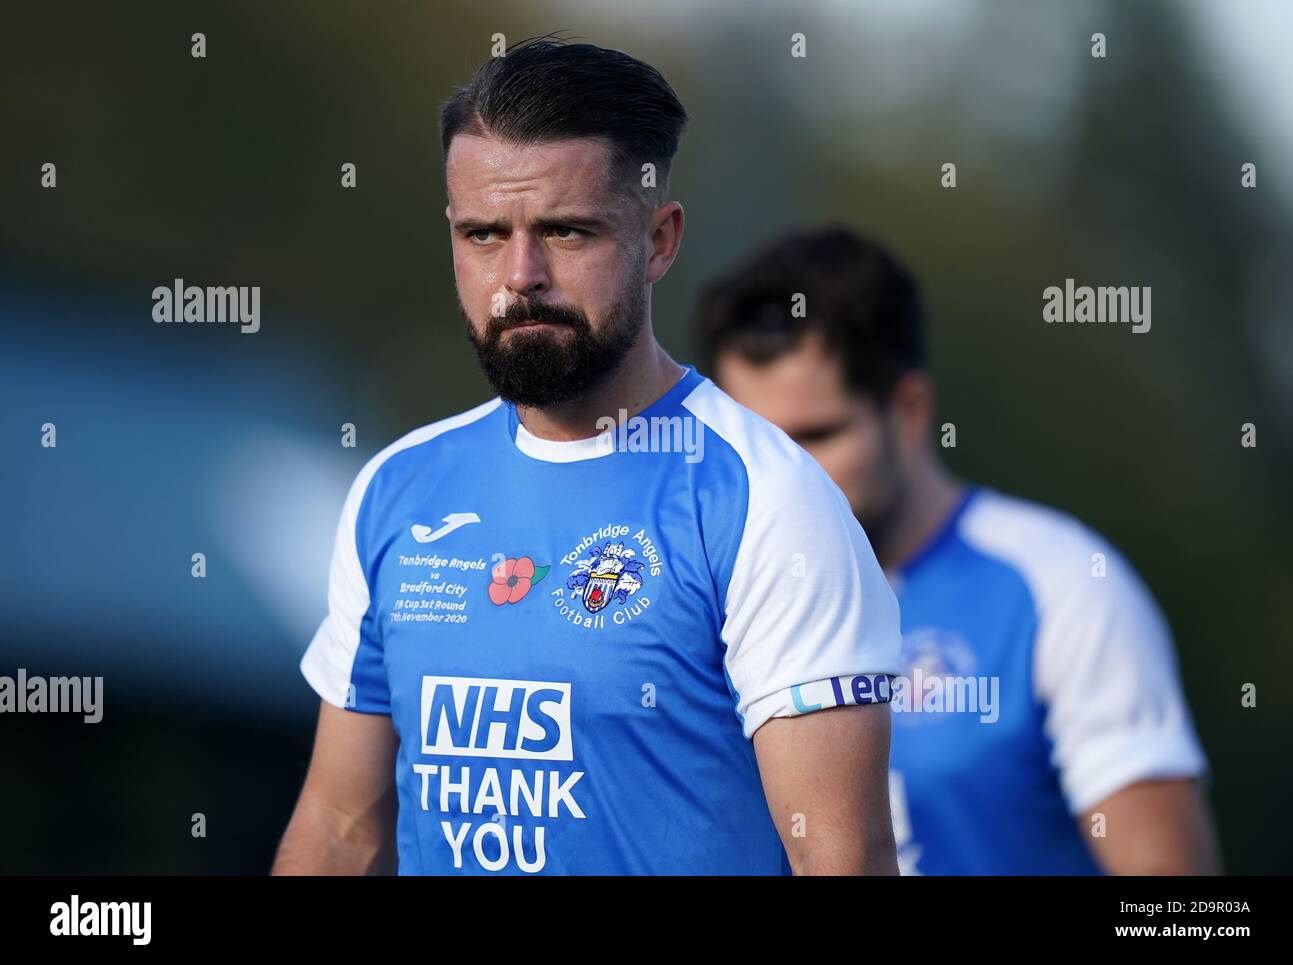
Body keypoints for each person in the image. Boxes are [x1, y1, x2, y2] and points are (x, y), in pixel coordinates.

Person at [273, 41, 902, 876]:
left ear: (660, 238)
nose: (520, 276)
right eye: (484, 234)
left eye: (566, 231)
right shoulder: (399, 489)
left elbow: (842, 859)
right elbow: (340, 830)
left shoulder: (765, 501)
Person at [697, 225, 1221, 874]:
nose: (789, 478)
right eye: (763, 446)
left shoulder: (1063, 586)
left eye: (817, 436)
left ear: (910, 410)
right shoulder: (703, 594)